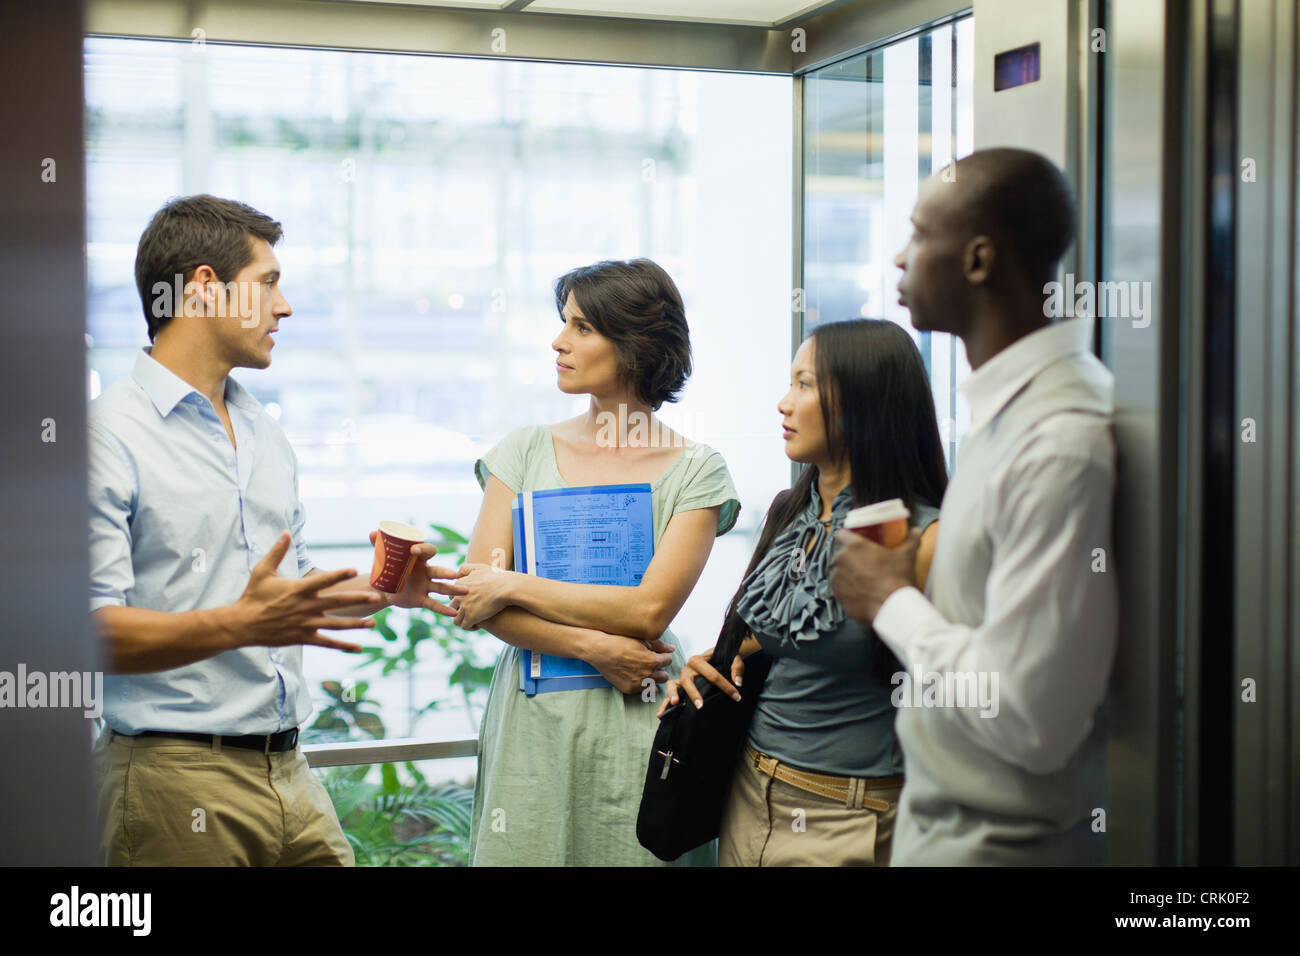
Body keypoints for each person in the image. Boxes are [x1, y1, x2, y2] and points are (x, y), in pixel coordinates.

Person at [88, 195, 467, 866]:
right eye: (267, 283)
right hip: (173, 779)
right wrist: (241, 624)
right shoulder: (106, 433)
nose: (285, 307)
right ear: (203, 289)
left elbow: (283, 599)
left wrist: (384, 590)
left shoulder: (266, 434)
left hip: (291, 770)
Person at [829, 147, 1118, 865]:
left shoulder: (1059, 439)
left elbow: (1029, 718)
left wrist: (890, 600)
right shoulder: (1009, 412)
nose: (900, 258)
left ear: (980, 260)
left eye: (921, 235)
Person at [451, 258, 740, 866]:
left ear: (635, 345)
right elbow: (479, 602)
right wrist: (593, 647)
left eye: (582, 327)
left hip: (642, 704)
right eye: (564, 323)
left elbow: (648, 608)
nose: (559, 342)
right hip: (535, 717)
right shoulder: (522, 452)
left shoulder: (698, 470)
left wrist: (512, 584)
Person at [660, 319, 946, 866]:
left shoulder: (921, 538)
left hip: (848, 816)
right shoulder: (790, 510)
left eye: (805, 384)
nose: (784, 404)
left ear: (864, 401)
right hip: (747, 794)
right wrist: (720, 663)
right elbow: (785, 632)